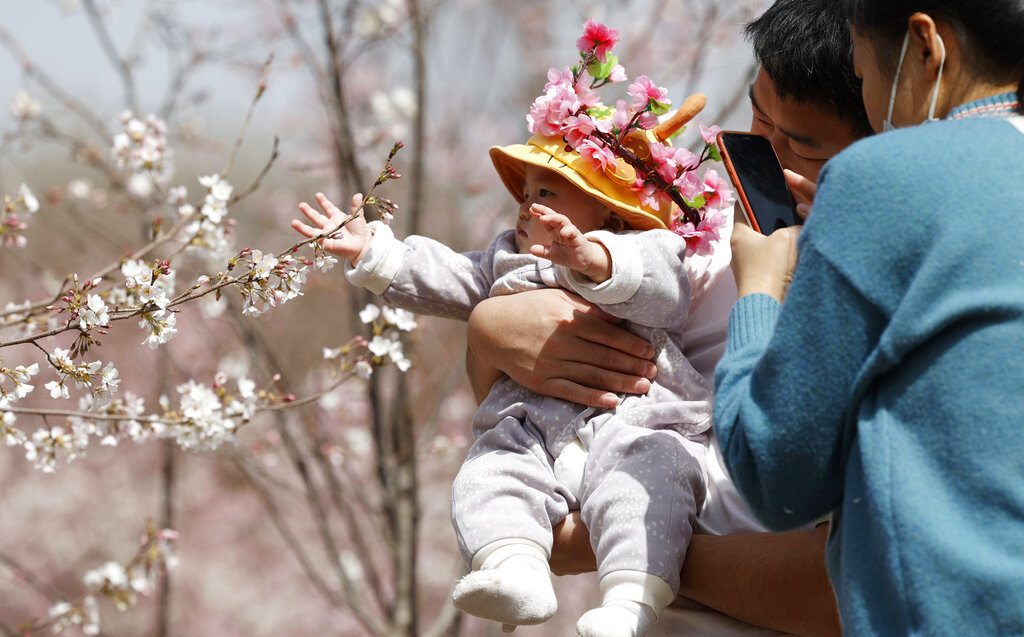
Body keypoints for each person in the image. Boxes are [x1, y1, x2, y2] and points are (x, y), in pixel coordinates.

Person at [292, 34, 738, 634]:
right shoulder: (506, 261)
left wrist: (594, 259)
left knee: (652, 484)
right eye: (525, 196)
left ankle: (630, 603)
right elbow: (445, 272)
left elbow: (663, 290)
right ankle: (514, 565)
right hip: (530, 430)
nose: (527, 209)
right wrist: (374, 252)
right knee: (488, 474)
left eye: (546, 193)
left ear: (607, 211)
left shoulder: (640, 250)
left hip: (635, 424)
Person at [465, 1, 871, 635]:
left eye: (803, 146)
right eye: (757, 119)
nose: (763, 157)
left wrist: (623, 542)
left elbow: (835, 591)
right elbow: (550, 408)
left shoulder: (888, 296)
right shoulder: (703, 246)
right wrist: (490, 335)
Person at [714, 0, 1024, 634]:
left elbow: (775, 475)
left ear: (925, 46)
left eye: (861, 75)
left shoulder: (883, 176)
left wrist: (759, 292)